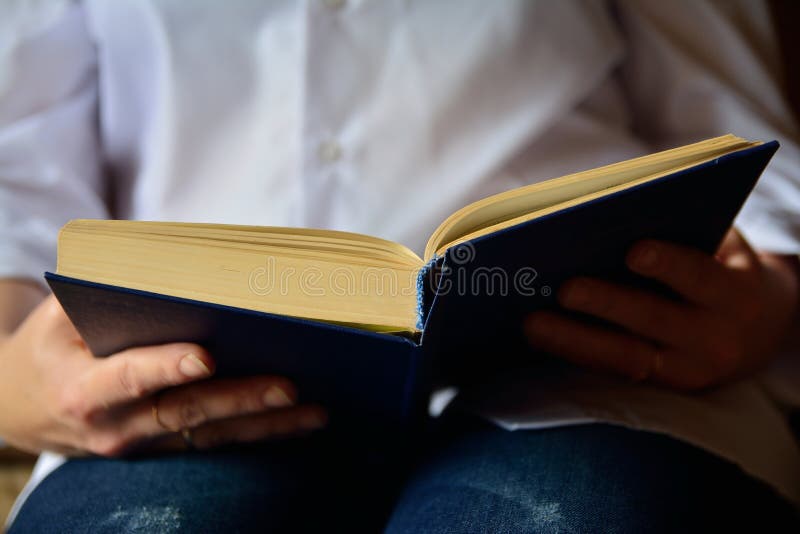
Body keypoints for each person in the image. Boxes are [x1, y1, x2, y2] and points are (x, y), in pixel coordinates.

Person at [1, 0, 798, 531]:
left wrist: (764, 304)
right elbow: (18, 203)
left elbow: (743, 143)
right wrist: (12, 386)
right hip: (186, 386)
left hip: (596, 366)